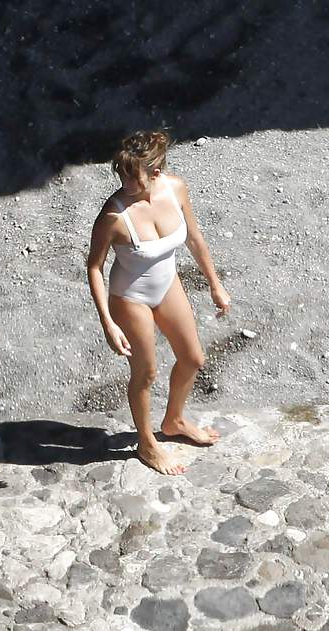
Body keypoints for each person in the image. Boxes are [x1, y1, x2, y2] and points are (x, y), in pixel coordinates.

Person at [87, 131, 231, 475]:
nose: (128, 181)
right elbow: (94, 266)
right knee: (146, 372)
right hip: (130, 296)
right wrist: (107, 322)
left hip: (167, 284)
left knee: (194, 358)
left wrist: (215, 284)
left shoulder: (176, 188)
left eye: (135, 173)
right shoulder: (113, 215)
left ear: (156, 170)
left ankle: (174, 420)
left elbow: (195, 239)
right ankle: (146, 445)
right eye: (123, 172)